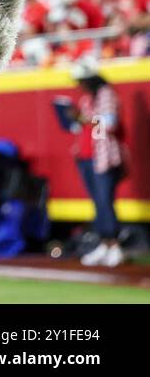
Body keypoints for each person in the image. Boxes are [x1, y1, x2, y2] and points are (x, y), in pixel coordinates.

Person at [70, 58, 127, 266]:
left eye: (82, 81)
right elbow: (81, 128)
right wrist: (74, 119)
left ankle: (114, 246)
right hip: (86, 156)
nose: (79, 85)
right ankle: (104, 243)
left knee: (105, 201)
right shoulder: (86, 99)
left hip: (104, 156)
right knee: (97, 202)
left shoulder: (106, 94)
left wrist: (85, 119)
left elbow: (109, 125)